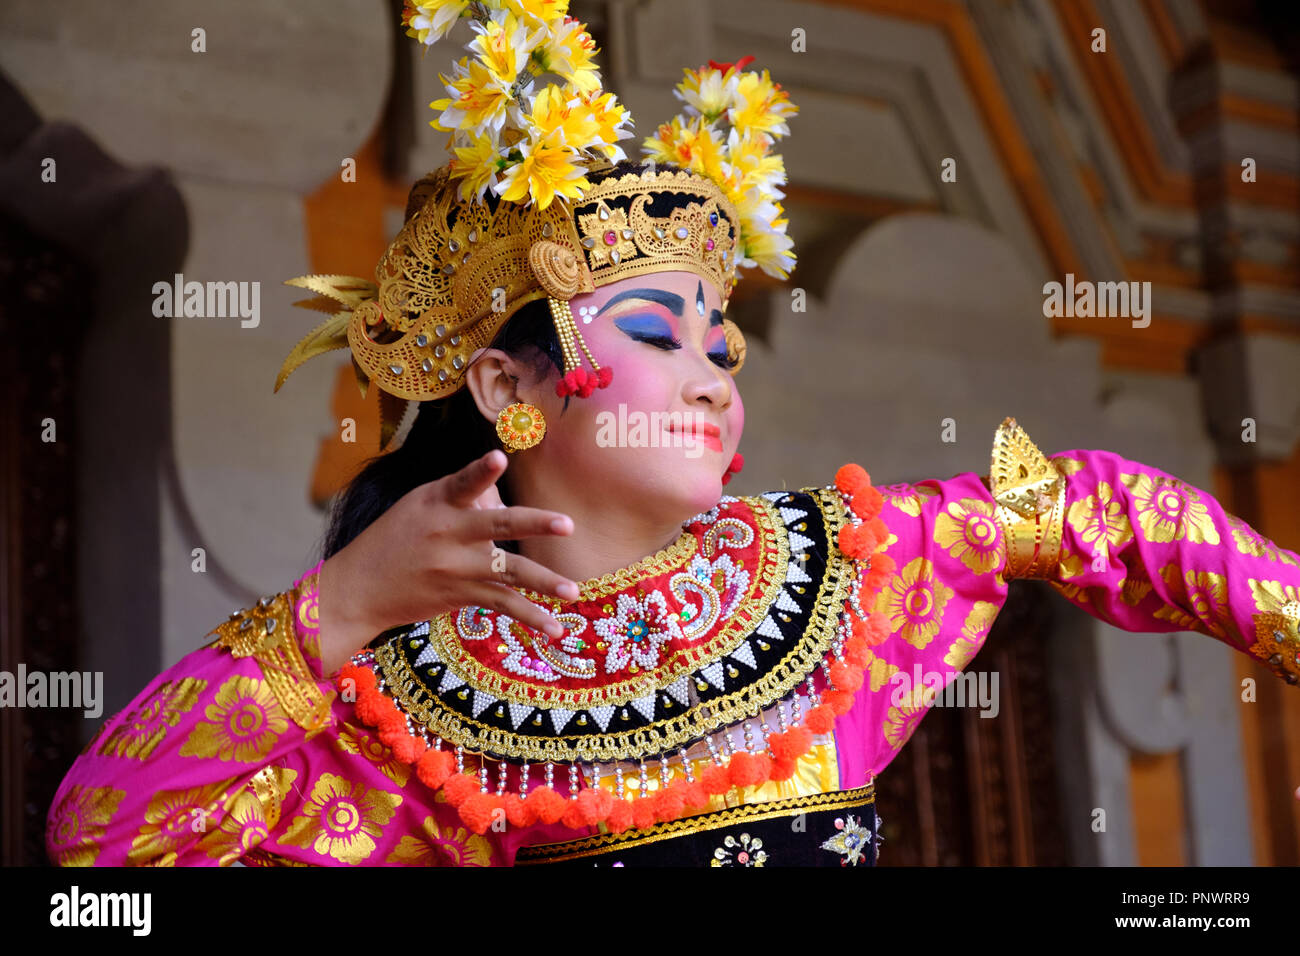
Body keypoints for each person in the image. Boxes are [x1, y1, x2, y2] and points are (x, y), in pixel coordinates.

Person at [46, 3, 1300, 868]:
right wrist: (335, 609)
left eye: (723, 344)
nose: (711, 376)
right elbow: (106, 845)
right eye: (658, 328)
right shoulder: (418, 716)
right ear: (504, 383)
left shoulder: (840, 581)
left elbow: (1092, 509)